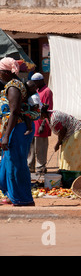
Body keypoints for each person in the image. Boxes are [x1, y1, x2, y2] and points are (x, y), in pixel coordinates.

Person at [0, 57, 39, 206]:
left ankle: (23, 198)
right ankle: (10, 194)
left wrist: (6, 136)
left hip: (16, 129)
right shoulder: (13, 84)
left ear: (6, 72)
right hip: (14, 128)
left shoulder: (13, 87)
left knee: (15, 164)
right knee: (6, 164)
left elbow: (14, 112)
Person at [40, 104, 81, 171]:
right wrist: (42, 125)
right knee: (63, 153)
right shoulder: (48, 115)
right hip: (68, 133)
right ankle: (64, 170)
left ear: (43, 113)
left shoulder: (54, 119)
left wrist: (58, 144)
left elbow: (63, 131)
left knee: (68, 153)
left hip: (76, 130)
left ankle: (71, 172)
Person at [28, 72, 53, 174]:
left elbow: (48, 108)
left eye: (35, 82)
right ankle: (30, 166)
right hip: (34, 122)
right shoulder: (36, 90)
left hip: (42, 123)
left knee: (41, 148)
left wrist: (43, 124)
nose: (34, 84)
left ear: (41, 81)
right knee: (31, 147)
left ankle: (40, 167)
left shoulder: (47, 91)